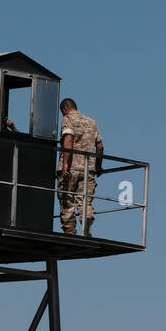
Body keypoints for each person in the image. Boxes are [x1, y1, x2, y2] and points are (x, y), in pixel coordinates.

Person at [58, 98, 103, 235]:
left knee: (67, 201)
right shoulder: (91, 122)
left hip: (71, 168)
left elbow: (68, 139)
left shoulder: (68, 119)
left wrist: (65, 164)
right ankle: (86, 228)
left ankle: (70, 232)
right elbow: (100, 146)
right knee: (85, 201)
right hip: (88, 169)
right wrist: (98, 167)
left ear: (65, 109)